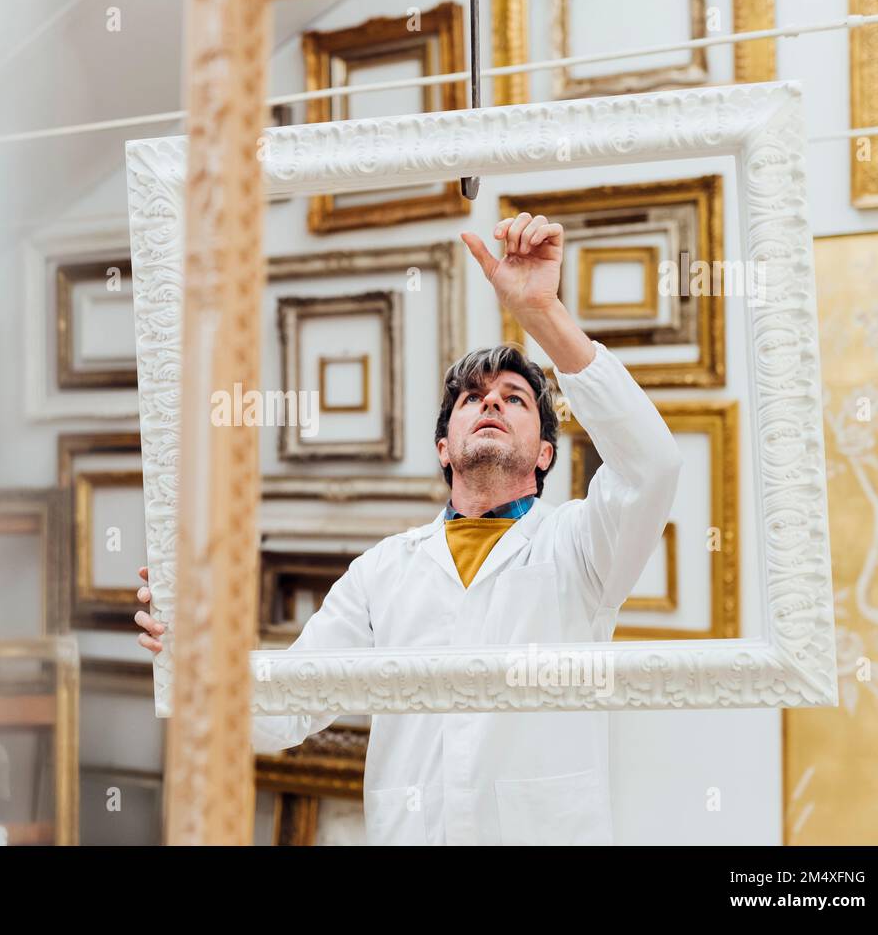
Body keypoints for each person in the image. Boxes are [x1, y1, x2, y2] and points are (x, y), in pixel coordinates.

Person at [134, 213, 682, 845]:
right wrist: (190, 643)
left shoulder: (584, 549)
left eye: (515, 397)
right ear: (444, 449)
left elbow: (653, 464)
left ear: (544, 455)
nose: (491, 403)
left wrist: (541, 314)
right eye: (472, 399)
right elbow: (280, 712)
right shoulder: (381, 572)